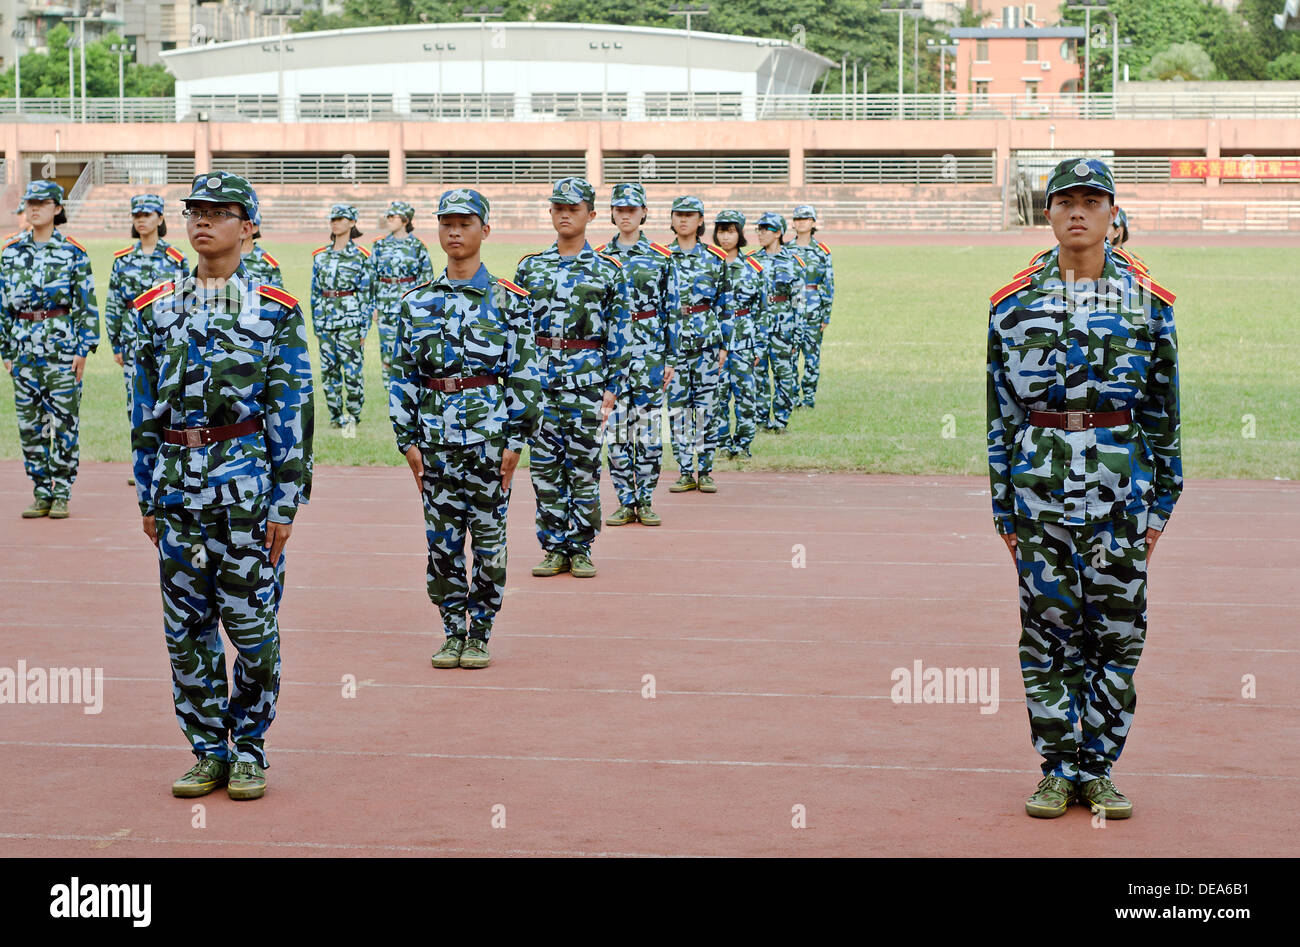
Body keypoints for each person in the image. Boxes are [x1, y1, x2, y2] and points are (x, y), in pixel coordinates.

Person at [986, 158, 1181, 821]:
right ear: (1048, 212)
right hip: (1039, 495)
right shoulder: (1012, 307)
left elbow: (1164, 415)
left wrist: (1160, 507)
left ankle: (1098, 768)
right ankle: (1056, 768)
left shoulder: (1150, 305)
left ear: (1111, 213)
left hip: (1121, 497)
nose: (1077, 211)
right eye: (1064, 200)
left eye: (1091, 201)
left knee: (1119, 636)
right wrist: (1001, 509)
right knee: (1046, 636)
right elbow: (1000, 416)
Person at [132, 171, 314, 801]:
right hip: (178, 494)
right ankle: (208, 749)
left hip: (246, 495)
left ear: (249, 224)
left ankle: (251, 747)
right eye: (194, 210)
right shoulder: (155, 310)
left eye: (218, 210)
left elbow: (292, 414)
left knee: (253, 631)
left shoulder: (274, 312)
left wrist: (287, 502)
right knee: (186, 631)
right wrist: (147, 494)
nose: (202, 219)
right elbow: (143, 412)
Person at [390, 188, 542, 670]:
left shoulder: (510, 300)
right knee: (442, 544)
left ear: (485, 231)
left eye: (466, 223)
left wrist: (517, 439)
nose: (455, 231)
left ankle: (481, 631)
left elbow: (524, 371)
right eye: (447, 223)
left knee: (490, 541)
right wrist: (407, 440)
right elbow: (402, 375)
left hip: (489, 439)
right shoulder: (415, 302)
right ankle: (452, 629)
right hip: (434, 442)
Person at [513, 177, 630, 579]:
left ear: (592, 215)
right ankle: (552, 547)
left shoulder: (609, 270)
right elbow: (518, 332)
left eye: (573, 208)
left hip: (586, 381)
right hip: (540, 385)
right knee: (544, 469)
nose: (564, 214)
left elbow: (619, 332)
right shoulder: (530, 267)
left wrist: (612, 386)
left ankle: (580, 547)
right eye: (558, 208)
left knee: (583, 467)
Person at [1, 180, 98, 519]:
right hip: (23, 350)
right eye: (30, 202)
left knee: (64, 422)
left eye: (42, 202)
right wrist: (6, 352)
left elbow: (87, 303)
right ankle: (40, 491)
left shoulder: (73, 251)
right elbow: (2, 306)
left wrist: (84, 348)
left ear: (58, 208)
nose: (34, 208)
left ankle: (62, 491)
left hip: (62, 348)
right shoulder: (10, 251)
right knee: (30, 426)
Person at [595, 182, 676, 527]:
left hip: (649, 354)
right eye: (620, 209)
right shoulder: (598, 257)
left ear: (644, 213)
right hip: (612, 356)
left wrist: (671, 358)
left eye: (632, 209)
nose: (626, 214)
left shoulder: (660, 256)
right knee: (615, 431)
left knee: (646, 431)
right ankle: (624, 500)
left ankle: (645, 499)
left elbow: (672, 310)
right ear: (612, 214)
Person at [105, 194, 189, 486]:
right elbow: (114, 303)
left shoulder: (176, 259)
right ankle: (143, 463)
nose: (141, 219)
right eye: (137, 215)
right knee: (137, 405)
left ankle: (166, 462)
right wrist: (115, 343)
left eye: (148, 214)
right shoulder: (122, 260)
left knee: (169, 400)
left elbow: (187, 302)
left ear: (161, 219)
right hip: (133, 342)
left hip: (168, 342)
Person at [664, 195, 729, 494]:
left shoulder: (715, 259)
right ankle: (684, 470)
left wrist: (724, 346)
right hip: (674, 348)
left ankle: (705, 470)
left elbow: (724, 306)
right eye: (678, 214)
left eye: (690, 215)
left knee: (706, 409)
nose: (683, 220)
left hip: (705, 345)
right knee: (677, 410)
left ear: (701, 221)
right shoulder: (662, 257)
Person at [310, 203, 373, 432]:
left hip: (351, 323)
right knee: (329, 371)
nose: (335, 222)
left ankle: (353, 417)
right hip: (326, 321)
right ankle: (336, 417)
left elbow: (367, 295)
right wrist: (317, 323)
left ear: (352, 222)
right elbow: (315, 292)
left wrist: (363, 330)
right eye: (333, 219)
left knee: (353, 371)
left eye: (341, 219)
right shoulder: (320, 256)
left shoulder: (362, 256)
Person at [712, 210, 763, 458]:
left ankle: (743, 445)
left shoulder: (753, 267)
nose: (725, 236)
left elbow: (763, 311)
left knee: (745, 396)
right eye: (722, 231)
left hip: (744, 340)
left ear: (740, 233)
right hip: (717, 341)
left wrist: (759, 346)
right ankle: (722, 444)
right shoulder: (709, 264)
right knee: (718, 395)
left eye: (731, 231)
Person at [749, 212, 804, 433]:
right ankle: (762, 420)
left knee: (784, 374)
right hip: (759, 326)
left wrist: (798, 333)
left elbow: (799, 301)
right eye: (759, 229)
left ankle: (781, 421)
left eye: (766, 229)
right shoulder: (751, 261)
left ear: (778, 233)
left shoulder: (793, 262)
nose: (761, 233)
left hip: (784, 326)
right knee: (758, 374)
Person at [372, 200, 435, 387]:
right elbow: (371, 278)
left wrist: (422, 308)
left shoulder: (418, 247)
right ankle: (389, 388)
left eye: (393, 216)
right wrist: (373, 306)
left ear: (405, 220)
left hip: (409, 306)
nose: (389, 219)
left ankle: (409, 386)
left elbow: (426, 281)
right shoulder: (379, 245)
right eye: (388, 216)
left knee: (410, 348)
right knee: (386, 349)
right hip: (384, 305)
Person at [788, 204, 834, 409]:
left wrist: (826, 316)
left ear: (813, 223)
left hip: (814, 308)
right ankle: (791, 396)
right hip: (790, 309)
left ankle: (808, 398)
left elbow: (829, 283)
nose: (801, 222)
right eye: (798, 219)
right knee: (789, 355)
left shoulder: (822, 251)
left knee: (812, 356)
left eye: (806, 219)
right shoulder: (786, 249)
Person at [240, 202, 282, 289]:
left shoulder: (267, 262)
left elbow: (277, 295)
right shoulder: (223, 256)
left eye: (246, 224)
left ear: (255, 228)